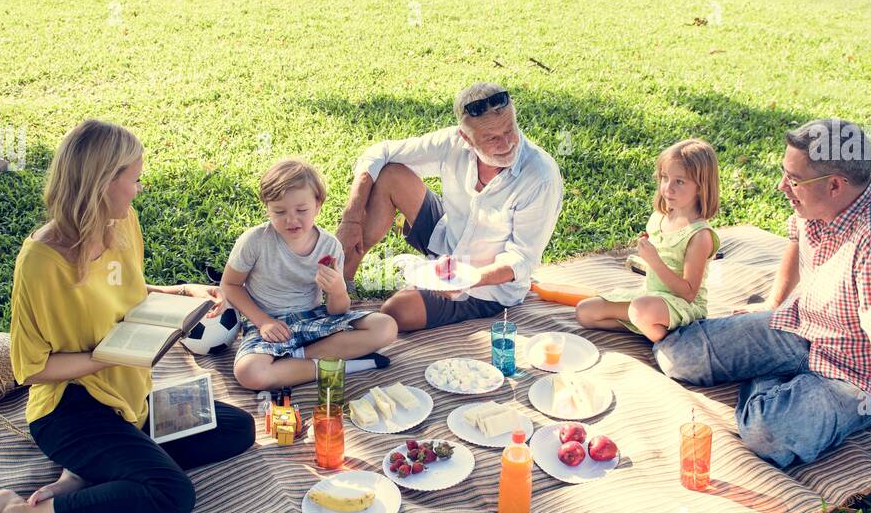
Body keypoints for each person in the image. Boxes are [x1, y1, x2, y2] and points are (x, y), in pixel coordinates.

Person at [0, 120, 255, 513]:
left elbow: (126, 294)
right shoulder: (40, 262)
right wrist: (109, 357)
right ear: (104, 182)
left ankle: (91, 473)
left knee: (238, 428)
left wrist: (181, 291)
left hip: (128, 398)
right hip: (70, 410)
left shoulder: (122, 224)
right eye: (134, 179)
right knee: (170, 495)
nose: (139, 189)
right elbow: (33, 367)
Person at [653, 119, 871, 476]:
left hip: (857, 375)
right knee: (675, 356)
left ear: (835, 185)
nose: (782, 186)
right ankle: (779, 373)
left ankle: (774, 380)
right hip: (804, 326)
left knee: (767, 432)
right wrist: (773, 305)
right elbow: (796, 241)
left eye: (792, 179)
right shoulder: (815, 200)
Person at [336, 83, 564, 331]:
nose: (507, 144)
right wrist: (351, 219)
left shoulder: (541, 176)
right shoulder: (452, 142)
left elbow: (522, 259)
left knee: (394, 312)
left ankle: (430, 280)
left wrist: (467, 279)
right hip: (446, 239)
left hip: (487, 287)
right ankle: (344, 280)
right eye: (491, 138)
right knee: (390, 174)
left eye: (510, 130)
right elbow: (380, 153)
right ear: (466, 137)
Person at [223, 158, 398, 390]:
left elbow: (338, 311)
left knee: (386, 326)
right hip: (269, 323)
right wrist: (263, 321)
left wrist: (337, 290)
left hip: (315, 320)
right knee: (250, 373)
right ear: (267, 208)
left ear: (318, 205)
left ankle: (294, 361)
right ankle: (344, 365)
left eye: (301, 210)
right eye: (279, 211)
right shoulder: (255, 241)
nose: (291, 219)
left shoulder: (329, 246)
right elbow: (230, 286)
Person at [575, 138, 721, 341]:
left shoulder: (699, 235)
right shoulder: (660, 216)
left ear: (701, 186)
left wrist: (654, 260)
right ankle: (646, 326)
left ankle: (674, 342)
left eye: (679, 181)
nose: (668, 188)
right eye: (664, 177)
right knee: (586, 312)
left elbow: (688, 293)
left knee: (640, 309)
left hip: (683, 307)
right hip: (651, 299)